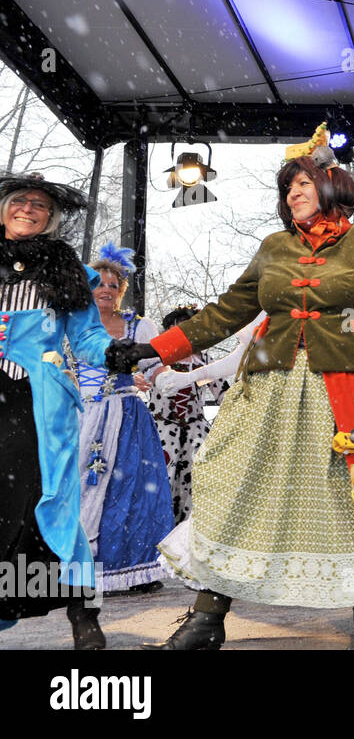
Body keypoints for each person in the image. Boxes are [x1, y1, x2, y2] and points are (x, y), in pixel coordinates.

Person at [107, 125, 354, 648]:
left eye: (304, 183)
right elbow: (227, 311)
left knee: (352, 494)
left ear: (333, 184)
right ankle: (208, 618)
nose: (293, 192)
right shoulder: (274, 247)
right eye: (288, 187)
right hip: (273, 388)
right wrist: (153, 349)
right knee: (237, 488)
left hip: (351, 387)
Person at [0, 172, 111, 648]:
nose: (28, 208)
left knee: (48, 501)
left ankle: (83, 609)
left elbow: (86, 338)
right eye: (20, 200)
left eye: (40, 205)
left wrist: (118, 352)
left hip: (37, 398)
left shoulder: (67, 268)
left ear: (51, 219)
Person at [70, 243, 173, 594]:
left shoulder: (138, 327)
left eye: (113, 285)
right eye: (99, 283)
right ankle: (83, 569)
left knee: (135, 493)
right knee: (81, 489)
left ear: (121, 291)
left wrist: (161, 377)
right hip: (82, 417)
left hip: (128, 417)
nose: (106, 290)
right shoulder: (73, 326)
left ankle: (135, 570)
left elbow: (158, 363)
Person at [149, 308, 264, 524]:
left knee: (200, 476)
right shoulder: (158, 360)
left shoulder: (204, 361)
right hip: (162, 429)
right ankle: (159, 527)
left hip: (195, 429)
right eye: (179, 328)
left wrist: (245, 408)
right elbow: (142, 378)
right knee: (161, 478)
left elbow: (223, 394)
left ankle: (191, 528)